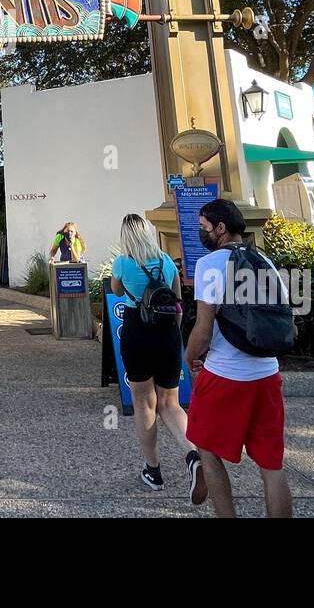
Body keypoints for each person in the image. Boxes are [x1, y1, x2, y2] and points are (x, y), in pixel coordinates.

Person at [185, 199, 292, 519]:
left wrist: (188, 358)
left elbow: (202, 332)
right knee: (272, 465)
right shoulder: (264, 260)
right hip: (267, 373)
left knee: (207, 448)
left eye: (204, 226)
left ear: (220, 228)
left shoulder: (209, 265)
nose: (201, 232)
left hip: (225, 375)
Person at [109, 214, 203, 503]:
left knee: (144, 403)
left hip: (137, 331)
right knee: (171, 404)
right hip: (167, 333)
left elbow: (117, 291)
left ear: (126, 237)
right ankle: (193, 455)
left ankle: (153, 470)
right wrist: (173, 334)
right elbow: (177, 302)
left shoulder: (123, 263)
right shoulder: (165, 260)